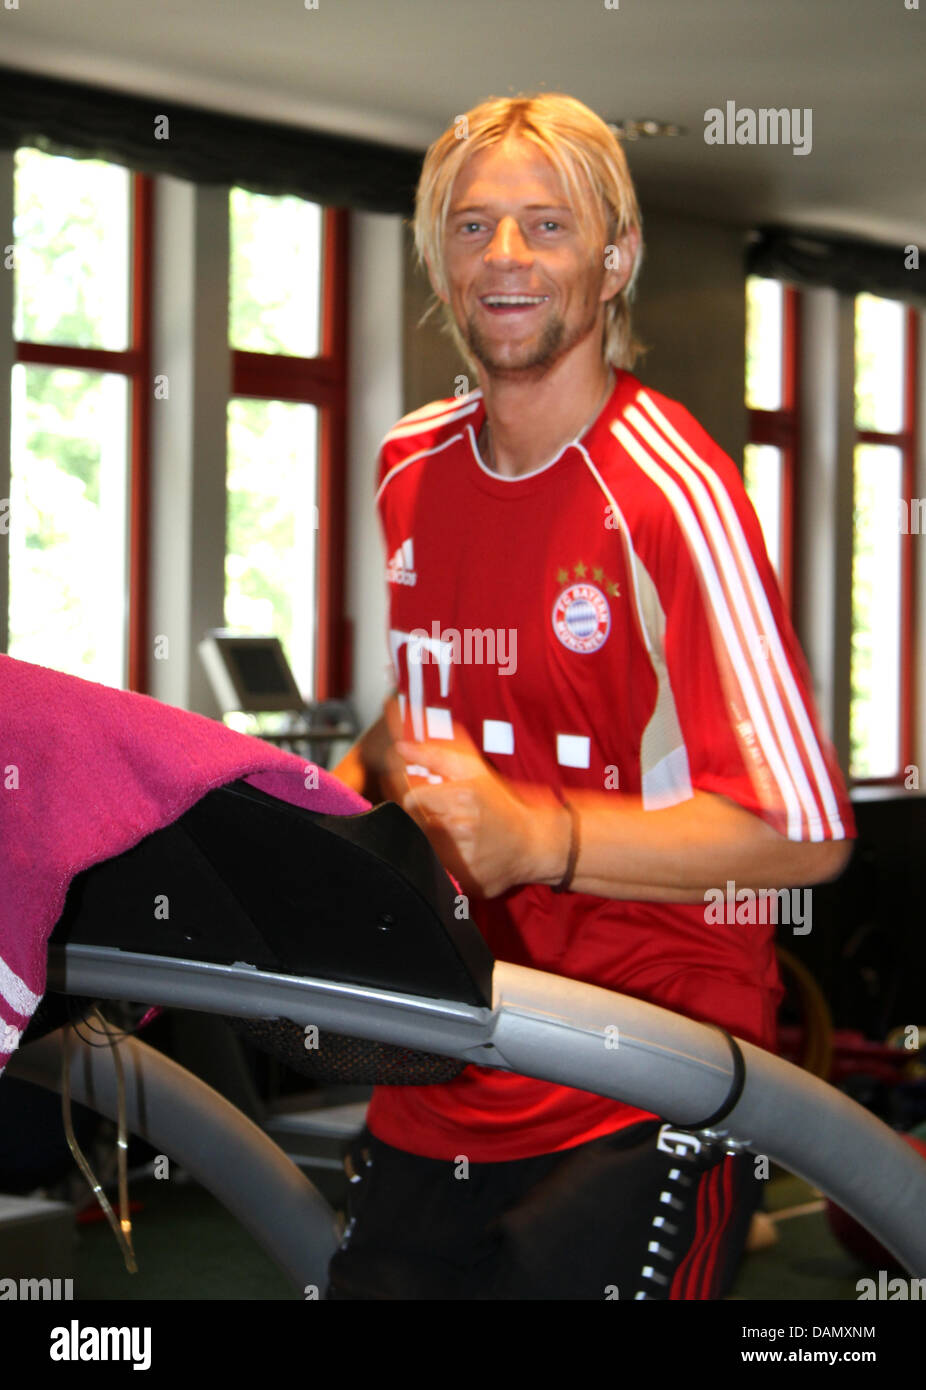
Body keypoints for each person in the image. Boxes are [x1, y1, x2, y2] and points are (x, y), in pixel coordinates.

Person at [328, 92, 855, 1300]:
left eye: (544, 226)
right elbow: (426, 705)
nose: (502, 259)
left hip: (646, 1057)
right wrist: (328, 796)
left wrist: (540, 838)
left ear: (612, 260)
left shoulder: (675, 491)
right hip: (455, 1043)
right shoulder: (408, 464)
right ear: (435, 259)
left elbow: (807, 832)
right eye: (470, 228)